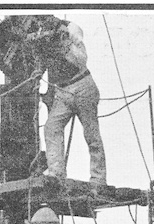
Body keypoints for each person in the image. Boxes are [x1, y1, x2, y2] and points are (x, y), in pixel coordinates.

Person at [39, 18, 107, 187]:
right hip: (63, 91)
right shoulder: (41, 37)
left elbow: (81, 59)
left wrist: (65, 44)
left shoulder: (70, 29)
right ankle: (56, 173)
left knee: (91, 134)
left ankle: (98, 179)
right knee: (51, 127)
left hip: (82, 84)